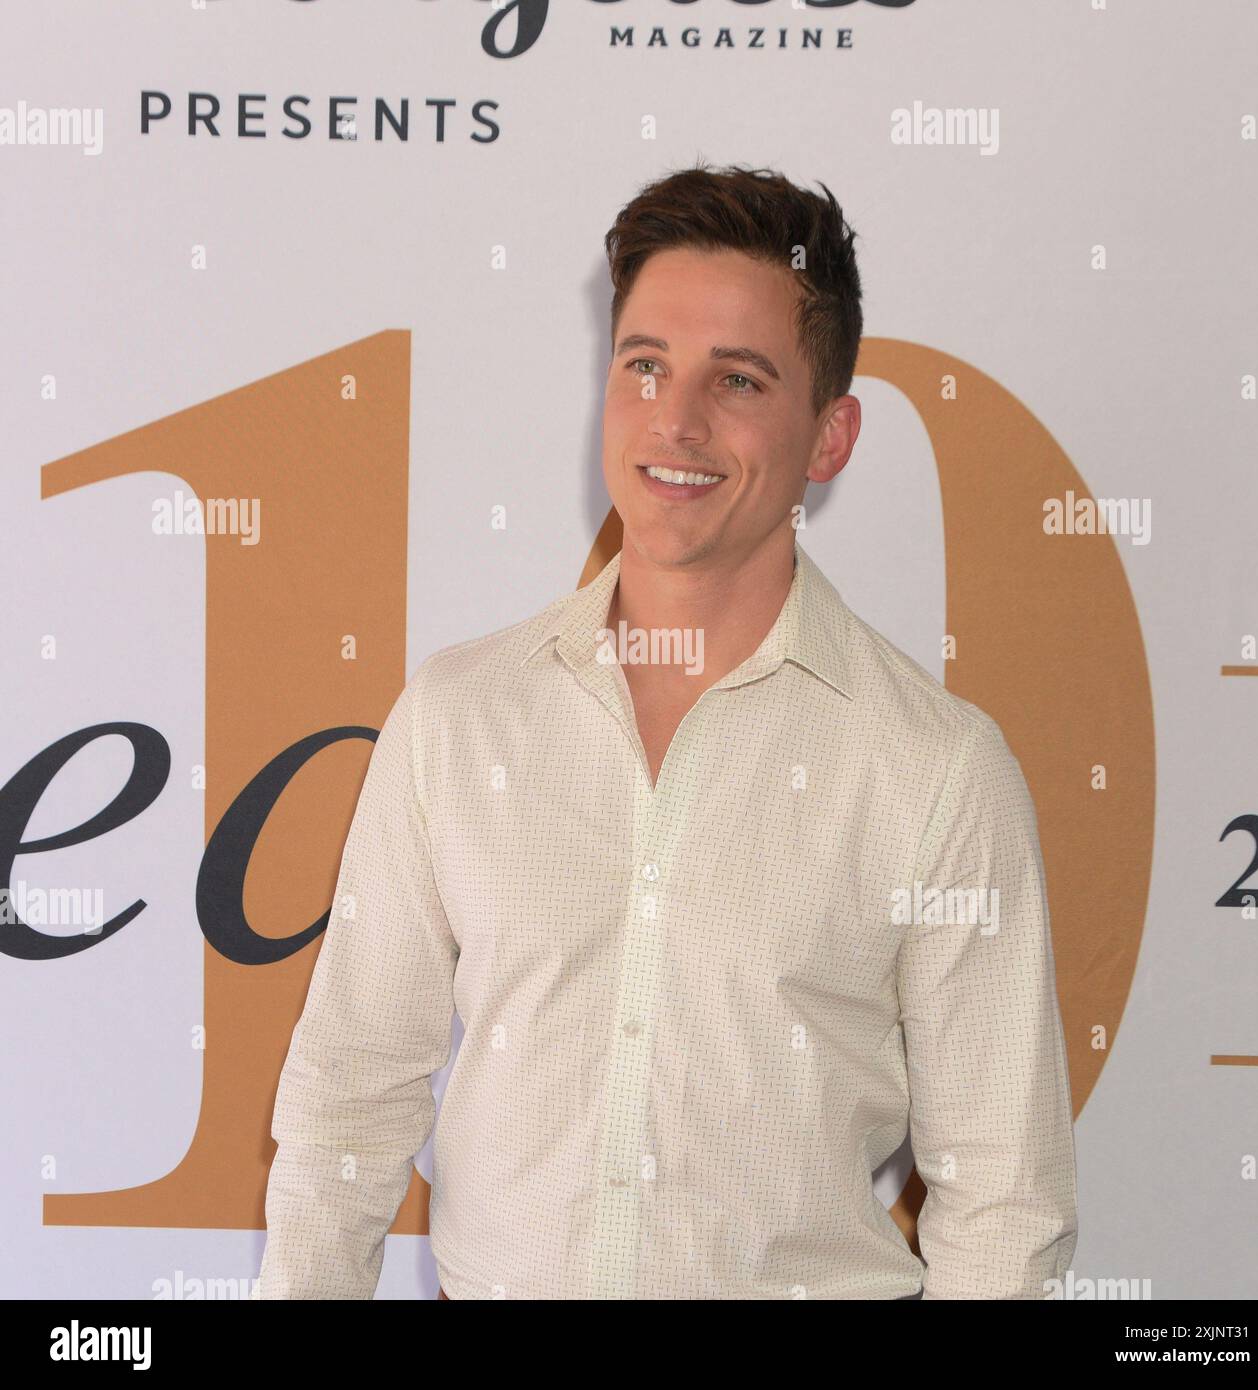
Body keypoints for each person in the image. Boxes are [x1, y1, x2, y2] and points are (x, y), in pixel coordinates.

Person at [255, 162, 1078, 1300]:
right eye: (643, 364)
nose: (674, 420)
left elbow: (1003, 1201)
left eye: (737, 379)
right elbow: (350, 1097)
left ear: (829, 436)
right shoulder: (459, 715)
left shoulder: (934, 770)